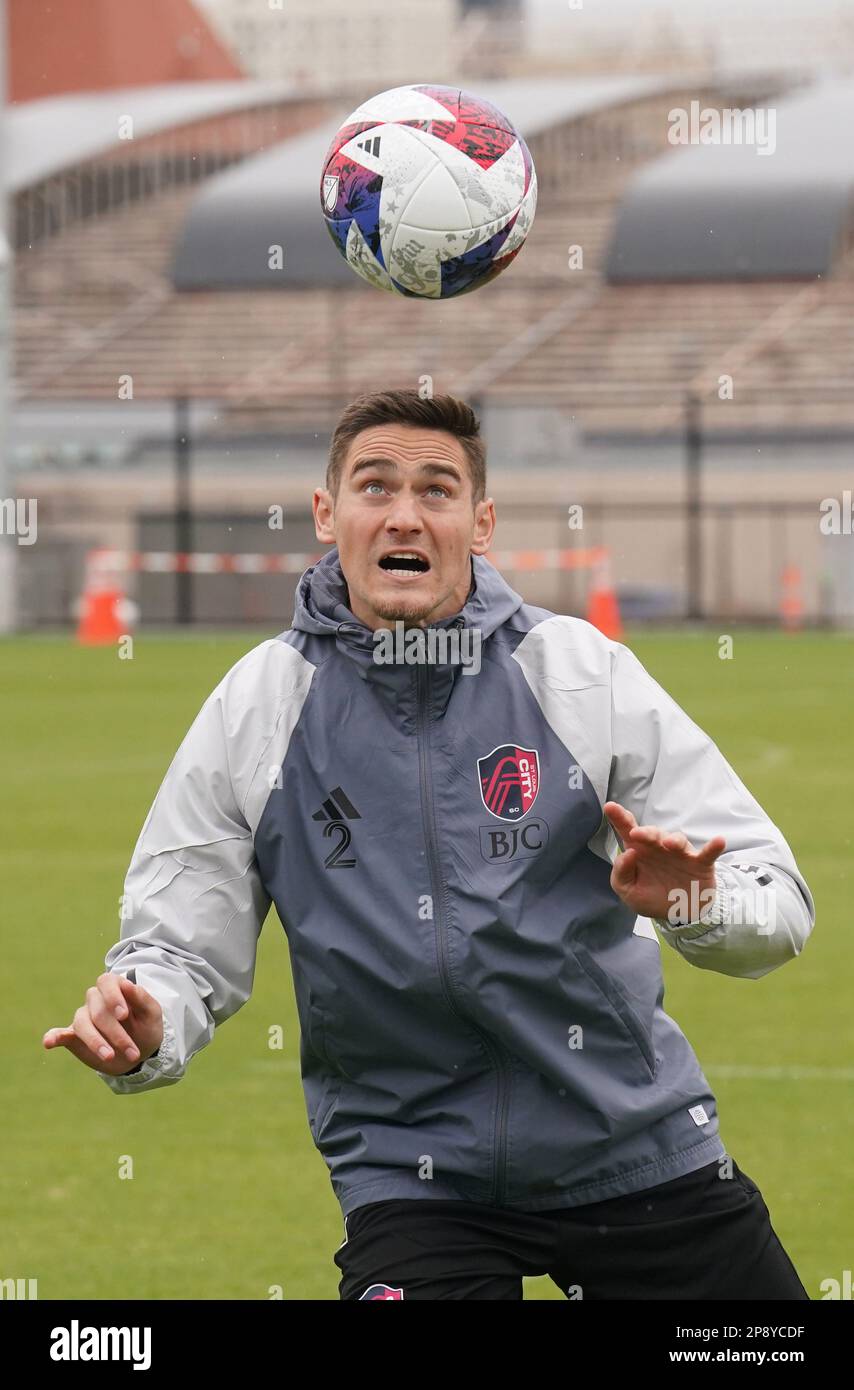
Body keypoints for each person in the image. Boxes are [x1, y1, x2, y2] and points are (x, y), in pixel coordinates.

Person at [43, 389, 814, 1300]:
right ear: (328, 514)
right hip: (413, 1180)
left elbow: (778, 903)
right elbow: (176, 947)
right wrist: (150, 1019)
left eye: (437, 490)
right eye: (375, 485)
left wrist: (696, 900)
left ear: (480, 523)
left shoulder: (578, 672)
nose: (405, 513)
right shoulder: (259, 704)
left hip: (634, 1148)